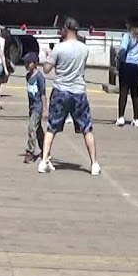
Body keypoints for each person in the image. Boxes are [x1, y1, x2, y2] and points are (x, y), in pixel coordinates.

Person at [39, 18, 101, 176]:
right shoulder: (84, 49)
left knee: (52, 127)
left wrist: (48, 57)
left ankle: (44, 160)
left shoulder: (59, 48)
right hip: (78, 91)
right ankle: (94, 163)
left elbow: (46, 69)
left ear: (66, 29)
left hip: (61, 90)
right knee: (86, 128)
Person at [116, 19, 138, 127]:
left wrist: (119, 62)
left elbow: (123, 50)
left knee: (124, 91)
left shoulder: (127, 36)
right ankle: (136, 119)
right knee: (135, 92)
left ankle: (121, 117)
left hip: (127, 64)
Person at [23, 51, 47, 164]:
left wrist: (45, 110)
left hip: (38, 106)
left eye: (29, 63)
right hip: (32, 107)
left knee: (31, 128)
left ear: (35, 63)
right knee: (38, 130)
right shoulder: (28, 76)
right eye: (25, 63)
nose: (26, 65)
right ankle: (45, 149)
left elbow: (43, 94)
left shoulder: (39, 77)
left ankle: (30, 152)